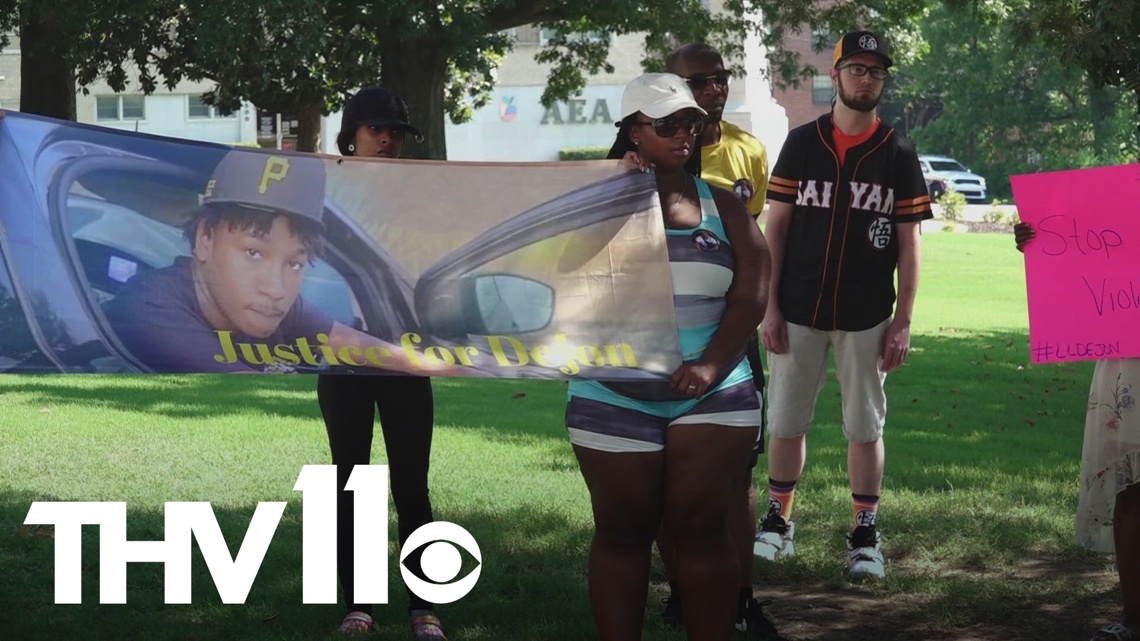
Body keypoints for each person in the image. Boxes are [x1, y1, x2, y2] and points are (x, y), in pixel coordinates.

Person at [567, 72, 771, 641]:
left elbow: (752, 292)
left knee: (704, 531)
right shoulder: (595, 203)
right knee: (621, 533)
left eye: (692, 123)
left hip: (712, 392)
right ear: (634, 133)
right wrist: (614, 199)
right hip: (610, 393)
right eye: (669, 124)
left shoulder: (723, 206)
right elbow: (564, 274)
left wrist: (710, 365)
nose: (685, 133)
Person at [754, 30, 933, 581]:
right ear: (834, 76)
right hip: (798, 307)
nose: (866, 79)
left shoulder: (898, 152)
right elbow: (776, 228)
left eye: (876, 72)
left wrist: (903, 319)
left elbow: (909, 242)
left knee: (865, 427)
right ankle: (779, 522)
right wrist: (768, 308)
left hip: (867, 313)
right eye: (856, 69)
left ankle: (864, 534)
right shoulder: (802, 143)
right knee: (785, 422)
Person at [644, 42, 777, 637]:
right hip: (653, 338)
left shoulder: (747, 150)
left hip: (730, 335)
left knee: (736, 476)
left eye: (720, 79)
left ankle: (740, 596)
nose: (713, 89)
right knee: (671, 475)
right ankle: (682, 588)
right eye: (698, 81)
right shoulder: (638, 156)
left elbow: (756, 246)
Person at [103, 148, 436, 377]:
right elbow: (263, 402)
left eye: (294, 263)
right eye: (253, 253)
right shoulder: (150, 310)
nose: (276, 289)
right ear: (205, 238)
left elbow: (370, 349)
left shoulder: (272, 308)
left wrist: (469, 374)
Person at [314, 86, 448, 639]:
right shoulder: (323, 187)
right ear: (351, 135)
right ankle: (359, 605)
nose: (388, 138)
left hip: (405, 359)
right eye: (376, 129)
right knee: (354, 481)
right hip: (341, 358)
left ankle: (424, 608)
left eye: (396, 132)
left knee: (412, 485)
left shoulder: (421, 193)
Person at [1015, 222, 1139, 641]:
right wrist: (1043, 244)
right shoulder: (1121, 201)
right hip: (1130, 362)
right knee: (1132, 488)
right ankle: (1134, 615)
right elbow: (1090, 252)